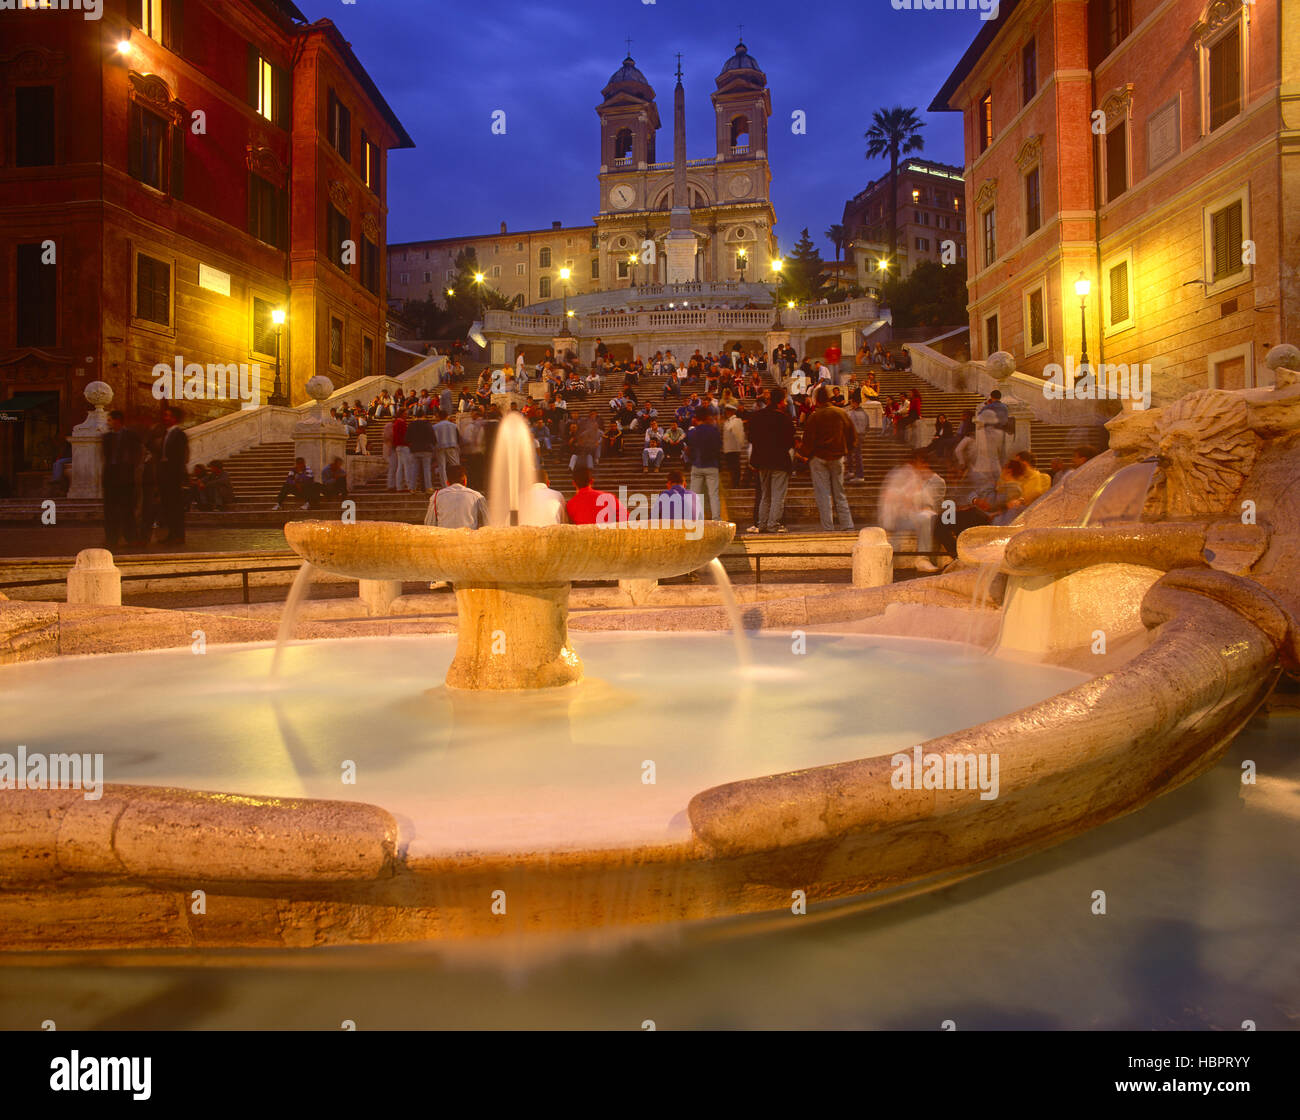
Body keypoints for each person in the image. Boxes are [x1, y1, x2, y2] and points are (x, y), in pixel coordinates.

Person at [800, 385, 856, 531]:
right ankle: (848, 526)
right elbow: (852, 436)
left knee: (823, 495)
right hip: (837, 457)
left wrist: (805, 455)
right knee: (840, 493)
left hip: (818, 458)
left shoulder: (814, 416)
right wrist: (846, 450)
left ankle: (828, 528)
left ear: (817, 401)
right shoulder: (841, 413)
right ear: (830, 399)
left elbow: (807, 440)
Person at [879, 451, 946, 572]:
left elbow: (923, 500)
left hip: (907, 516)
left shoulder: (915, 476)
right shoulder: (902, 475)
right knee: (926, 518)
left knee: (927, 517)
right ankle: (921, 559)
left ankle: (920, 558)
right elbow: (895, 497)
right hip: (897, 517)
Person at [745, 387, 795, 534]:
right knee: (778, 496)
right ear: (780, 401)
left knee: (765, 495)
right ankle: (773, 524)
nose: (786, 403)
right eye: (785, 400)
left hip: (762, 461)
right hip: (780, 461)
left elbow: (751, 438)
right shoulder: (784, 418)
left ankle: (762, 524)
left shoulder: (757, 416)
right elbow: (790, 442)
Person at [101, 410, 141, 549]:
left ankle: (131, 538)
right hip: (111, 477)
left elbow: (137, 455)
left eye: (110, 420)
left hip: (126, 477)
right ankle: (111, 539)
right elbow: (106, 457)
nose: (108, 422)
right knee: (110, 510)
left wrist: (131, 470)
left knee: (127, 509)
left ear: (118, 420)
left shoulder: (131, 435)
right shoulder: (106, 437)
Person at [683, 406, 722, 520]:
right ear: (707, 417)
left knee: (695, 494)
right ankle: (716, 518)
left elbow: (687, 447)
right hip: (712, 464)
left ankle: (695, 518)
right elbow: (718, 446)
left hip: (697, 464)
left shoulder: (693, 431)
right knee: (713, 493)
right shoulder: (714, 430)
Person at [158, 405, 189, 544]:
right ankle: (172, 534)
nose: (165, 418)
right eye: (165, 415)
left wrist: (180, 476)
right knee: (167, 506)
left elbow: (182, 457)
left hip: (174, 475)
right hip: (165, 473)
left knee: (176, 506)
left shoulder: (179, 434)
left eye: (168, 415)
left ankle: (179, 535)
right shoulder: (165, 433)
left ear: (174, 418)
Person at [424, 464, 488, 528]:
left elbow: (429, 524)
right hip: (468, 536)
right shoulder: (477, 496)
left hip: (444, 536)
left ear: (447, 482)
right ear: (465, 480)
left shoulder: (436, 497)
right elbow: (487, 523)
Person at [405, 410, 435, 492]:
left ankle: (412, 488)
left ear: (415, 416)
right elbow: (432, 437)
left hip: (414, 449)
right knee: (426, 469)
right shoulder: (427, 424)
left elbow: (407, 438)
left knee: (414, 469)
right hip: (426, 449)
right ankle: (428, 487)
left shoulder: (411, 425)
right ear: (423, 415)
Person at [721, 404, 746, 488]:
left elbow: (740, 435)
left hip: (734, 448)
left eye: (728, 411)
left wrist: (739, 446)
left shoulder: (737, 420)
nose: (726, 412)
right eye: (726, 411)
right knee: (730, 467)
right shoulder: (727, 421)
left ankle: (736, 483)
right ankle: (733, 482)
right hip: (728, 448)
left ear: (732, 411)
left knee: (735, 467)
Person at [846, 399, 870, 481]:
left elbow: (847, 425)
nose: (850, 404)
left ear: (854, 403)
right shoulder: (865, 413)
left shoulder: (851, 413)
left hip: (852, 436)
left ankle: (858, 475)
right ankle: (852, 472)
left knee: (855, 455)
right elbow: (868, 427)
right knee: (855, 454)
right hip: (861, 435)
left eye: (851, 402)